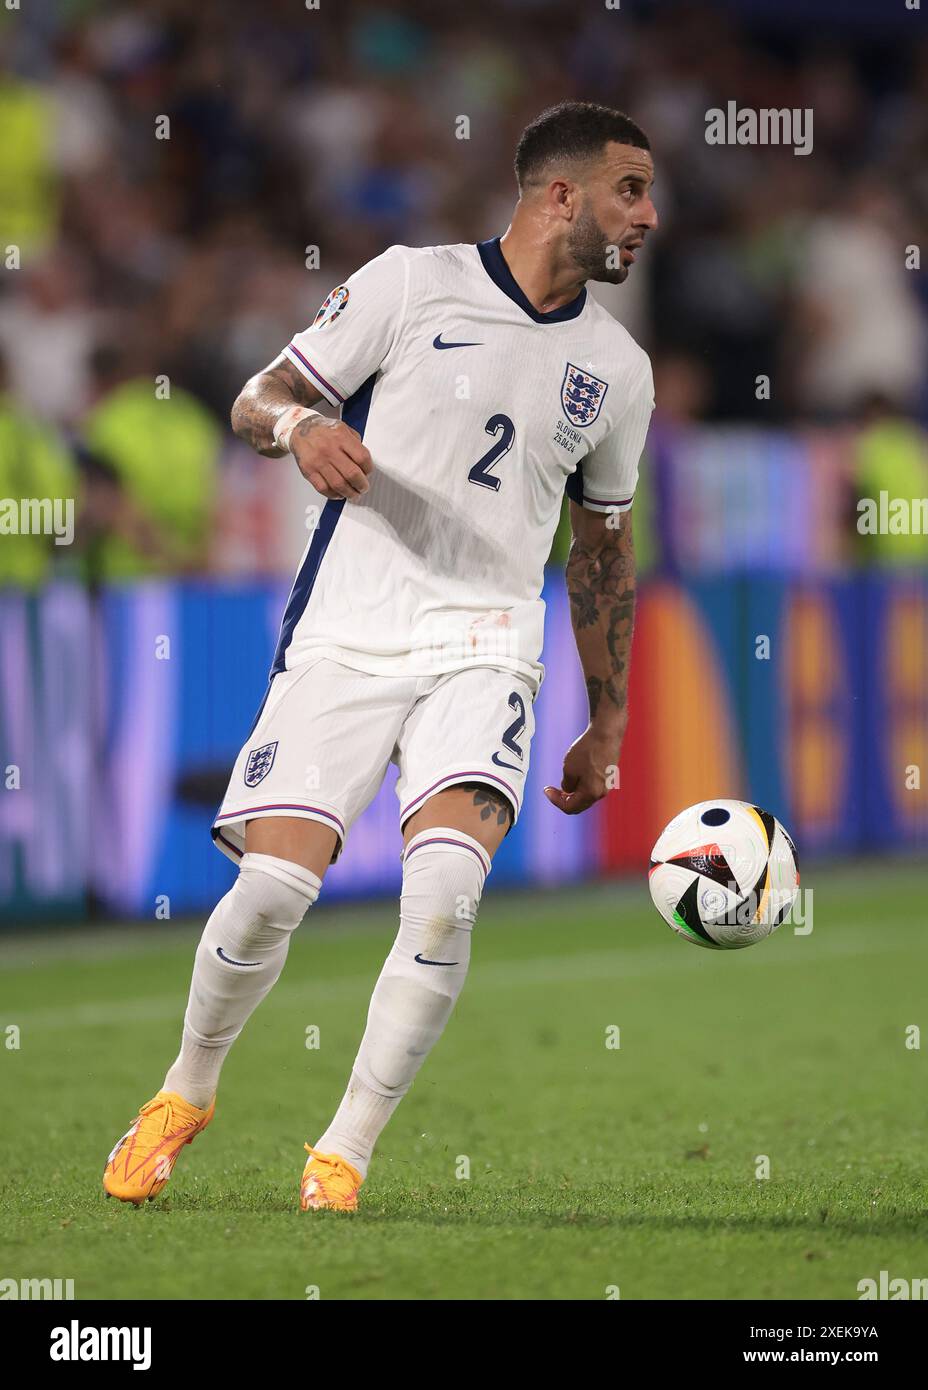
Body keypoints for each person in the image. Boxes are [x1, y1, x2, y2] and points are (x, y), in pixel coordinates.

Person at [102, 101, 658, 1211]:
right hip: (351, 629)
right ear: (559, 195)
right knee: (270, 891)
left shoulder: (617, 370)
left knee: (444, 893)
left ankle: (342, 1152)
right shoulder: (410, 284)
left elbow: (599, 547)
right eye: (628, 192)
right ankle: (186, 1088)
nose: (646, 218)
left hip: (488, 642)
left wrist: (607, 716)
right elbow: (260, 395)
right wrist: (301, 429)